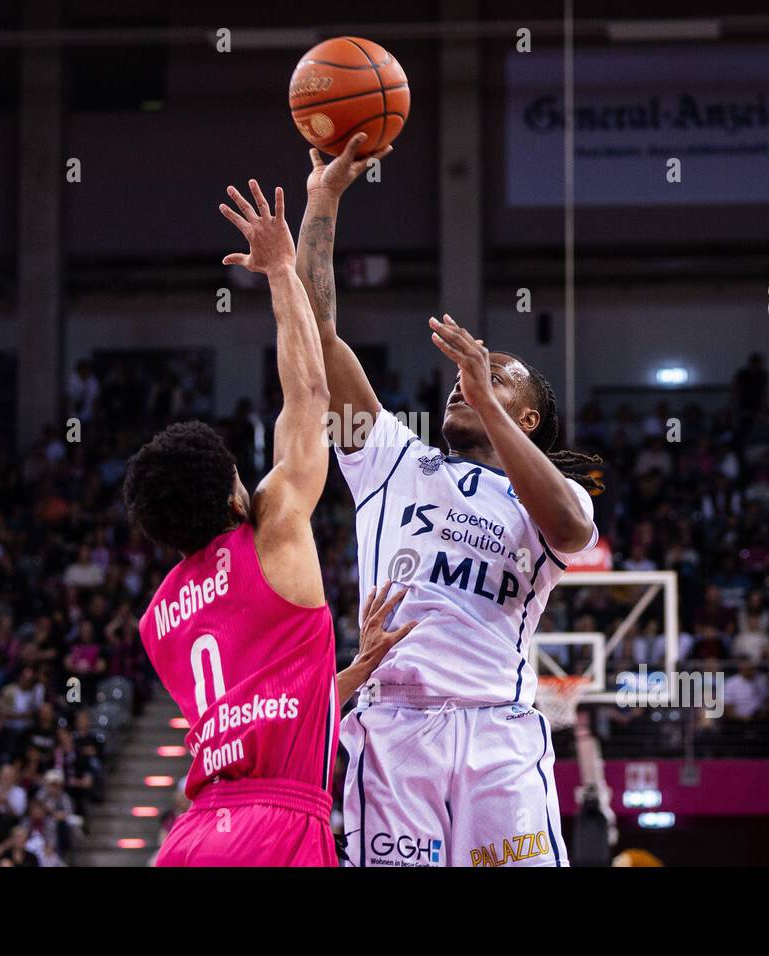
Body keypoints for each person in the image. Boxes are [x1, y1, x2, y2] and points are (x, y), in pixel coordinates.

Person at [296, 136, 602, 867]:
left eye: (498, 377)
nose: (470, 378)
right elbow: (318, 333)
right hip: (395, 727)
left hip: (500, 732)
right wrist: (324, 201)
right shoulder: (390, 456)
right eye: (467, 373)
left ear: (526, 419)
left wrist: (483, 396)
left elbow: (572, 527)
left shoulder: (551, 501)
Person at [127, 181, 413, 866]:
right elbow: (311, 394)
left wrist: (342, 677)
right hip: (277, 828)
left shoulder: (158, 621)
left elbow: (257, 712)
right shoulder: (274, 528)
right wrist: (283, 272)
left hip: (193, 837)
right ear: (233, 493)